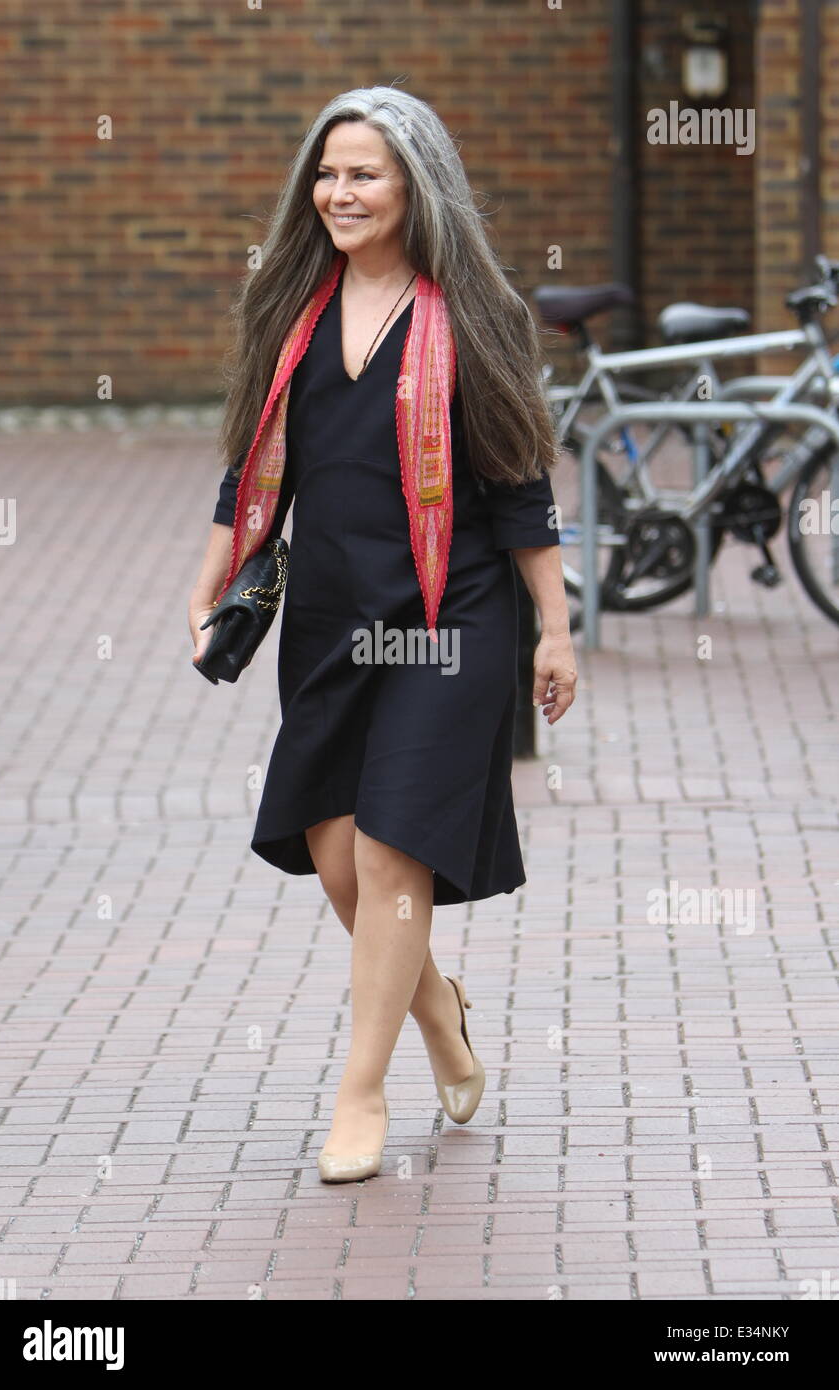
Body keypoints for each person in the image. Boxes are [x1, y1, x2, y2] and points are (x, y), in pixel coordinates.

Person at [188, 86, 576, 1184]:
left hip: (447, 620)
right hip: (327, 618)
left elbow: (517, 485)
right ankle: (442, 1018)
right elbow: (251, 460)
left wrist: (553, 627)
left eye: (365, 173)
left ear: (416, 185)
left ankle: (359, 1093)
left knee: (387, 846)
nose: (340, 191)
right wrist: (213, 571)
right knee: (338, 863)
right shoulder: (291, 307)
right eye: (327, 172)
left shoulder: (474, 316)